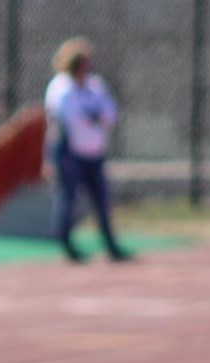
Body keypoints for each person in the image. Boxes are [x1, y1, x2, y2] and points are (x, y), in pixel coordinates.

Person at [44, 37, 132, 263]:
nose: (87, 68)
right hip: (69, 153)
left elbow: (110, 113)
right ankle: (67, 245)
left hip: (94, 153)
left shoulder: (95, 85)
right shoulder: (60, 86)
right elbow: (70, 118)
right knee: (68, 199)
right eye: (82, 63)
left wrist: (93, 117)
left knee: (102, 200)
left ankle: (110, 245)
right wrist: (93, 117)